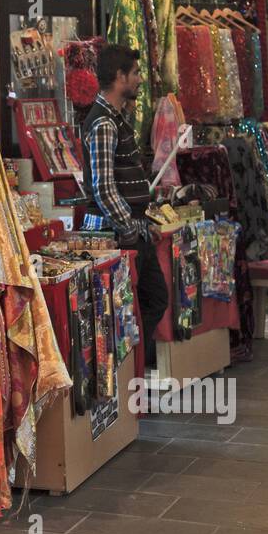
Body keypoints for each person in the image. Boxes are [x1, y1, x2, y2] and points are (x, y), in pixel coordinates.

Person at [82, 44, 169, 367]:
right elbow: (104, 187)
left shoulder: (116, 119)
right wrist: (130, 228)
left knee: (150, 300)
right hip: (115, 233)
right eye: (135, 73)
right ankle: (125, 371)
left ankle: (130, 370)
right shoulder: (104, 123)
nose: (140, 79)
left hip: (129, 229)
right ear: (119, 77)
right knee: (137, 303)